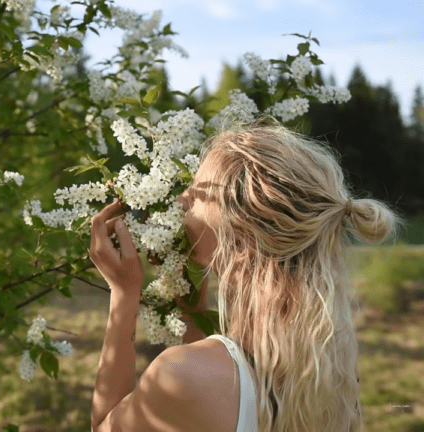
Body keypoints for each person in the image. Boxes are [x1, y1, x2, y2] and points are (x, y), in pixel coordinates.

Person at [87, 115, 405, 432]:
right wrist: (193, 298)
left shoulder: (182, 377)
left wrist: (124, 294)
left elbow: (105, 426)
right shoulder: (329, 374)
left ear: (237, 243)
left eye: (197, 195)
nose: (181, 200)